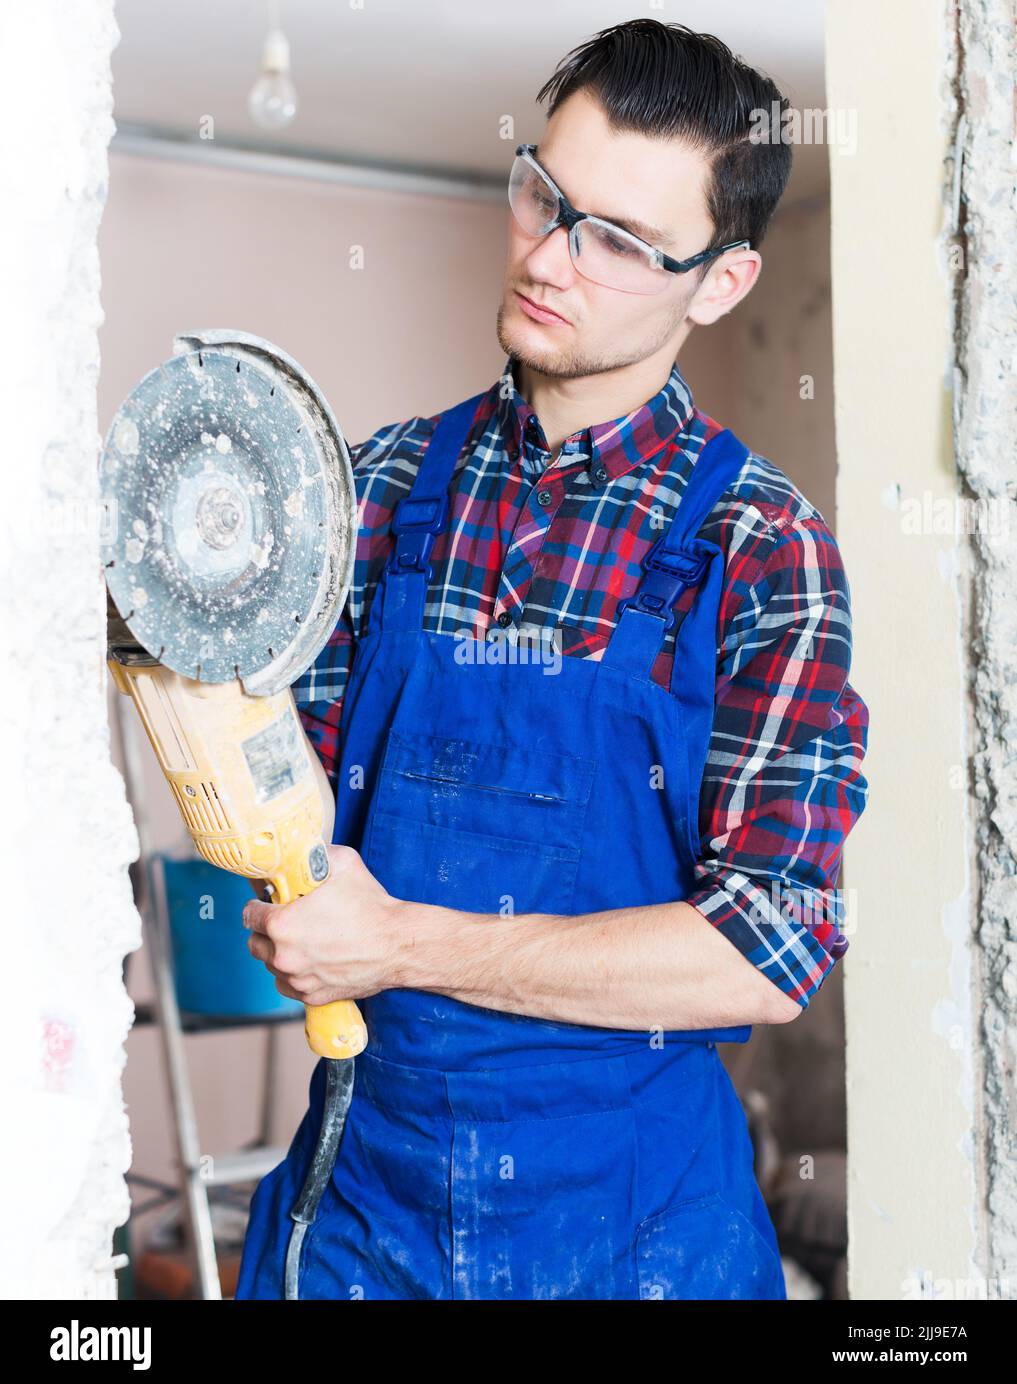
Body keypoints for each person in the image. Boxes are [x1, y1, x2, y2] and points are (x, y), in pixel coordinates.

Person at [235, 17, 869, 1301]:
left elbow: (762, 947)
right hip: (365, 1215)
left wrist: (403, 943)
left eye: (623, 241)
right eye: (545, 197)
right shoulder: (378, 488)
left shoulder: (760, 552)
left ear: (724, 282)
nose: (553, 260)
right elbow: (281, 812)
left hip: (635, 1238)